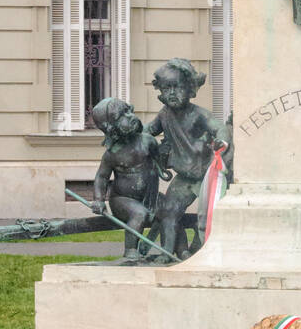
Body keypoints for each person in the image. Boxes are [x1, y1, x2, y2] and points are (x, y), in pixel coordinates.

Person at [148, 59, 233, 262]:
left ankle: (200, 250)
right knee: (169, 213)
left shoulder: (198, 115)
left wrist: (221, 141)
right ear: (160, 92)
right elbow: (147, 132)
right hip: (184, 177)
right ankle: (167, 252)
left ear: (191, 90)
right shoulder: (164, 115)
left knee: (212, 216)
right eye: (166, 88)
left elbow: (219, 127)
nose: (172, 93)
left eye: (177, 87)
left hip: (206, 175)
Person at [90, 98, 162, 264]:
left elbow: (160, 162)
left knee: (170, 210)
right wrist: (99, 200)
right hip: (123, 199)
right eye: (122, 116)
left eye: (128, 111)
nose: (130, 116)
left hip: (149, 197)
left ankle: (178, 249)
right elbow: (101, 177)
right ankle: (130, 249)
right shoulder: (112, 154)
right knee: (139, 213)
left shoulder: (148, 141)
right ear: (111, 128)